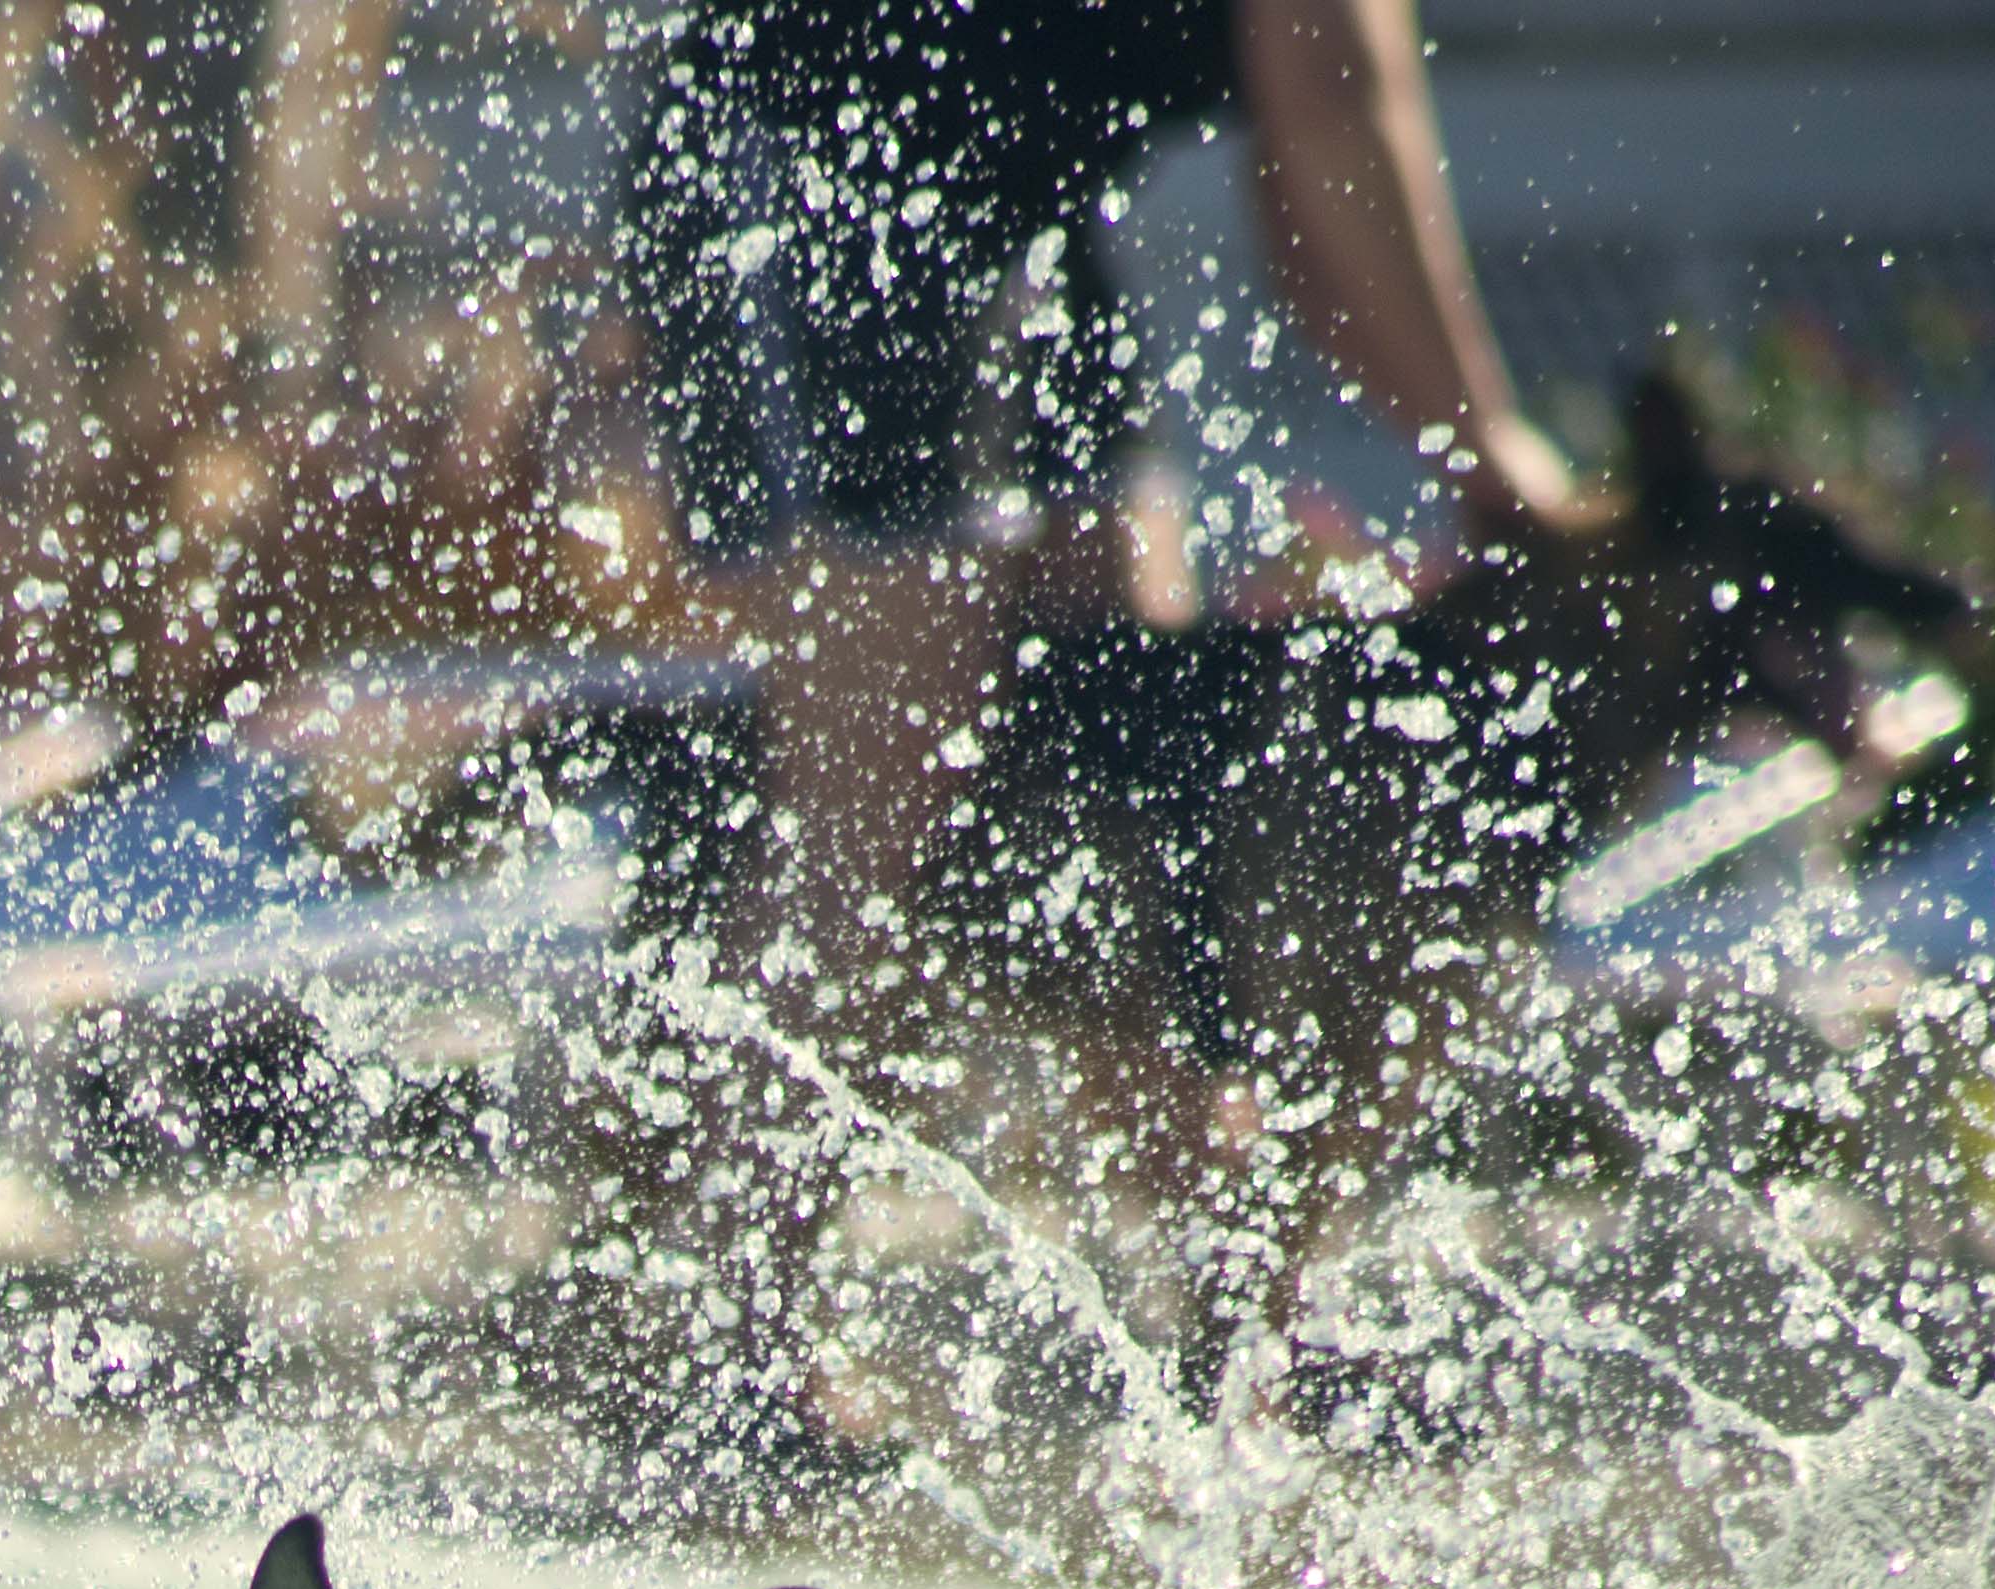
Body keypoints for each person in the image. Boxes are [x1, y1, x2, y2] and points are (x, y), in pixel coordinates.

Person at [620, 0, 1580, 1010]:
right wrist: (1494, 460)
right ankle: (685, 1137)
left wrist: (1472, 450)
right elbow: (1331, 122)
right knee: (861, 842)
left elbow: (1320, 218)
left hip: (1011, 205)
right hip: (816, 159)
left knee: (1130, 798)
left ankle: (1151, 1131)